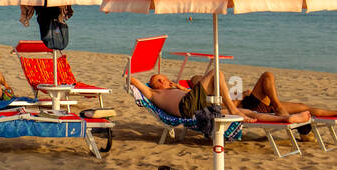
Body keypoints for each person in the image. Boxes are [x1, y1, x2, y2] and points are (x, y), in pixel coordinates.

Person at [131, 69, 314, 124]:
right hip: (185, 108)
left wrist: (178, 86)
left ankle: (286, 119)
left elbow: (193, 95)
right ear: (152, 85)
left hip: (195, 107)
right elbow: (131, 78)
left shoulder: (175, 89)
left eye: (163, 79)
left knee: (247, 112)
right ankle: (235, 109)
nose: (163, 82)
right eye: (158, 80)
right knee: (216, 72)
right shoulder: (153, 93)